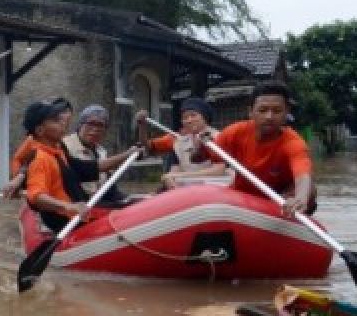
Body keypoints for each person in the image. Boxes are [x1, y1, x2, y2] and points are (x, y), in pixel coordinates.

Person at [206, 82, 317, 218]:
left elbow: (303, 176)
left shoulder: (294, 143)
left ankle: (293, 215)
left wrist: (301, 198)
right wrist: (199, 149)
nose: (269, 117)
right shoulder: (234, 132)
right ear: (251, 112)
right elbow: (205, 157)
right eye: (262, 110)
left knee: (310, 190)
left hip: (277, 200)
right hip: (242, 197)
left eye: (277, 111)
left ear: (286, 112)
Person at [19, 100, 100, 231]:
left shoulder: (58, 151)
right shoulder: (40, 159)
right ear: (40, 130)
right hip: (67, 223)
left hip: (77, 217)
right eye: (56, 121)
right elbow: (36, 196)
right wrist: (68, 207)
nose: (63, 123)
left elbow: (86, 168)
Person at [135, 97, 227, 190]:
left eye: (193, 115)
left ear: (205, 117)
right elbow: (175, 170)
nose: (189, 120)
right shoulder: (178, 142)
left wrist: (179, 175)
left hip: (216, 191)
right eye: (185, 117)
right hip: (187, 190)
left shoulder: (219, 138)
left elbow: (219, 170)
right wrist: (170, 178)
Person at [62, 104, 141, 206]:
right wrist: (127, 154)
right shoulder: (65, 146)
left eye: (100, 125)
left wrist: (129, 200)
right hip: (78, 204)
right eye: (91, 123)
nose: (95, 129)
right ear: (80, 124)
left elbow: (109, 189)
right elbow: (85, 171)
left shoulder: (101, 151)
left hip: (99, 202)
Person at [3, 97, 73, 198]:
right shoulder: (35, 140)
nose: (64, 117)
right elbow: (21, 158)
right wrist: (18, 178)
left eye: (67, 111)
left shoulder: (59, 141)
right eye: (57, 117)